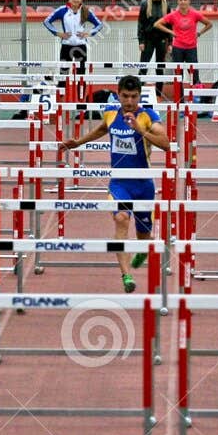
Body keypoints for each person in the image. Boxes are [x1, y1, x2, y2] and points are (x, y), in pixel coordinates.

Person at [62, 74, 169, 293]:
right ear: (118, 95)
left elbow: (166, 144)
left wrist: (141, 130)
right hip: (120, 183)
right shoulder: (111, 113)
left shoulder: (148, 116)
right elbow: (102, 129)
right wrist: (78, 142)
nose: (129, 101)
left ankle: (142, 250)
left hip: (144, 185)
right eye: (125, 96)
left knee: (143, 233)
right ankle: (126, 275)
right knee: (121, 219)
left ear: (140, 96)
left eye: (134, 97)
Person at [44, 0, 104, 71]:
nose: (75, 0)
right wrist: (58, 33)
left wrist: (89, 33)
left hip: (81, 47)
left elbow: (100, 25)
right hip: (66, 46)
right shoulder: (62, 10)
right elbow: (46, 21)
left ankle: (81, 85)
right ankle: (62, 85)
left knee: (81, 74)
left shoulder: (86, 11)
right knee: (64, 74)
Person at [155, 0, 213, 65]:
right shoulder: (173, 15)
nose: (183, 2)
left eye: (185, 0)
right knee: (178, 73)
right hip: (177, 48)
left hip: (191, 48)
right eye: (180, 0)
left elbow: (209, 24)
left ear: (189, 1)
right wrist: (170, 31)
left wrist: (199, 33)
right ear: (178, 2)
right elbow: (157, 24)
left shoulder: (195, 14)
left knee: (194, 73)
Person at [136, 0, 172, 77]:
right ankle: (140, 88)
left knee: (160, 66)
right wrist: (141, 41)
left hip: (162, 40)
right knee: (143, 65)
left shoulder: (167, 6)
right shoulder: (145, 5)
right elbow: (141, 24)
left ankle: (159, 91)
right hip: (148, 39)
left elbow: (169, 25)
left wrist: (170, 43)